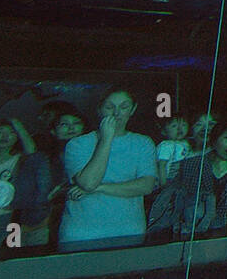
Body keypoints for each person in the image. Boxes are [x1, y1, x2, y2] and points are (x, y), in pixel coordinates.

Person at [61, 89, 158, 246]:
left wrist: (100, 188)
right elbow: (88, 183)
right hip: (82, 233)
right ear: (99, 109)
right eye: (110, 107)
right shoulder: (78, 144)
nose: (117, 113)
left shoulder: (143, 143)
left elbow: (146, 186)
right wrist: (106, 139)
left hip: (129, 231)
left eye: (124, 107)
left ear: (133, 109)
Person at [11, 103, 86, 246]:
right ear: (53, 130)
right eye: (64, 124)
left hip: (84, 226)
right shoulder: (38, 160)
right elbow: (20, 199)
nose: (71, 128)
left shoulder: (97, 159)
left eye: (76, 123)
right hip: (40, 228)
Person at [156, 115, 192, 188]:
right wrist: (163, 184)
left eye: (183, 125)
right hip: (169, 180)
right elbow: (161, 166)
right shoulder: (166, 145)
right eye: (174, 126)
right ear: (164, 131)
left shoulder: (187, 143)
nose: (179, 128)